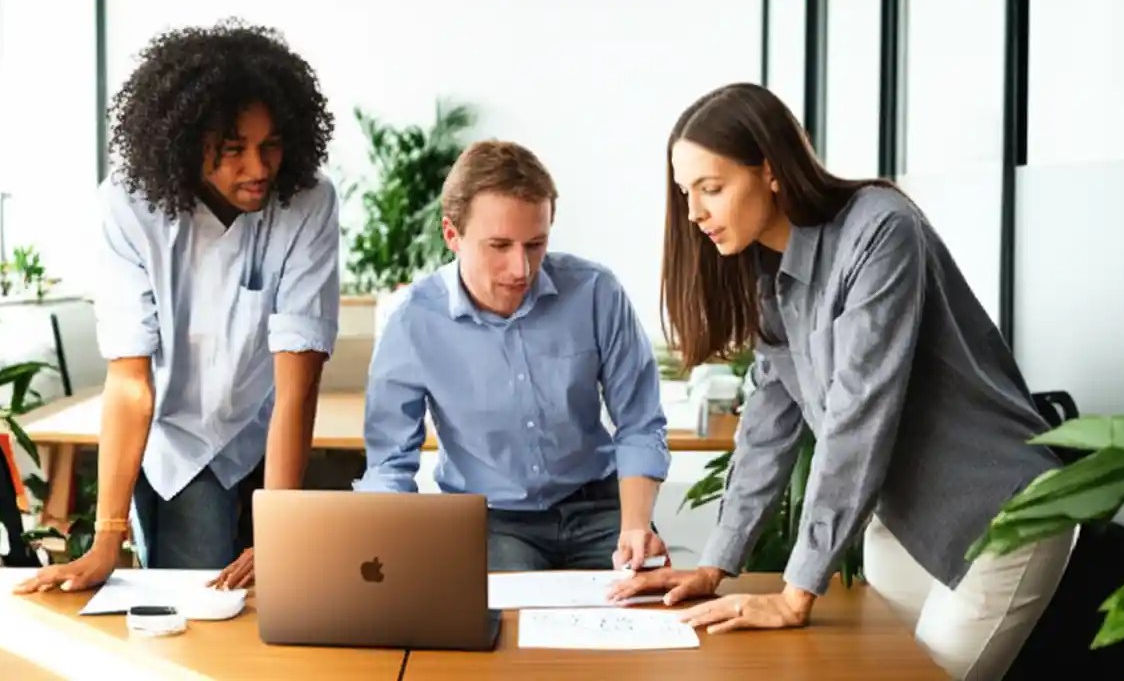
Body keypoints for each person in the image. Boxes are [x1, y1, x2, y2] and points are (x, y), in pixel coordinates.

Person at [608, 83, 1074, 680]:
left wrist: (795, 594)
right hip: (906, 523)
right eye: (685, 193)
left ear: (770, 171)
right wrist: (715, 564)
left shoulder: (880, 229)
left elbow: (859, 416)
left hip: (1001, 517)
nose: (694, 212)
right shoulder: (768, 272)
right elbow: (768, 427)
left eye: (711, 188)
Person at [15, 20, 339, 594]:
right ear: (188, 143)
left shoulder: (307, 201)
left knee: (283, 589)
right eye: (233, 150)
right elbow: (130, 382)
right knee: (198, 602)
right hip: (175, 438)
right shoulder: (129, 206)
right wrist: (105, 542)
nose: (259, 168)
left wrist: (279, 530)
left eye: (270, 145)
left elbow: (299, 382)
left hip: (265, 423)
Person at [355, 140, 671, 572]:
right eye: (499, 245)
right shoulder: (413, 321)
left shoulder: (595, 292)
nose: (521, 269)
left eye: (535, 244)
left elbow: (640, 422)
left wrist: (635, 526)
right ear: (452, 235)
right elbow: (390, 461)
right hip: (492, 522)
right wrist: (381, 544)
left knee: (649, 604)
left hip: (601, 508)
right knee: (503, 613)